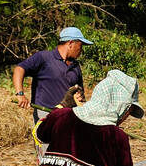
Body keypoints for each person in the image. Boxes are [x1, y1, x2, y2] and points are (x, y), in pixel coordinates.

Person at [13, 27, 92, 156]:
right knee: (48, 155)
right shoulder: (44, 57)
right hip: (46, 115)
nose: (81, 50)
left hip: (68, 117)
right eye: (80, 45)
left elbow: (79, 92)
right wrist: (20, 94)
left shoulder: (75, 66)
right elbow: (19, 69)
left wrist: (80, 98)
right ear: (70, 43)